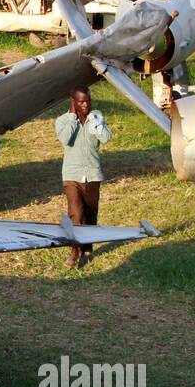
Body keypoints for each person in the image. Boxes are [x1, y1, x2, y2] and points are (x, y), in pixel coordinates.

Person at [54, 87, 111, 269]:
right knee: (76, 213)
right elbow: (65, 139)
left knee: (90, 213)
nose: (85, 104)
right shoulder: (63, 121)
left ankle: (87, 247)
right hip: (72, 175)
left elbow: (106, 138)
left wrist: (97, 124)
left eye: (88, 100)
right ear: (73, 102)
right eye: (81, 101)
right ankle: (74, 251)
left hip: (93, 174)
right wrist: (72, 117)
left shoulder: (96, 117)